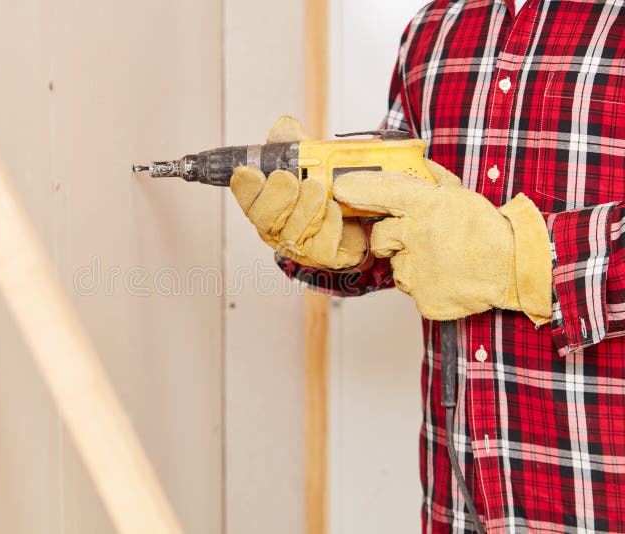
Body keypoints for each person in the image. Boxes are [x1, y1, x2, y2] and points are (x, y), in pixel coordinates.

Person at [231, 0, 625, 532]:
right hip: (457, 507)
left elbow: (475, 249)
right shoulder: (432, 28)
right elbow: (407, 220)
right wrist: (345, 238)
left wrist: (521, 258)